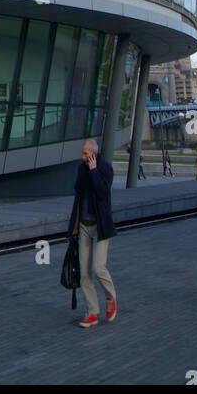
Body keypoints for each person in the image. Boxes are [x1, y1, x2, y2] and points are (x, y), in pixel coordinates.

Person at [68, 139, 117, 329]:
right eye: (82, 153)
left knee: (98, 268)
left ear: (94, 153)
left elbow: (103, 193)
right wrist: (73, 226)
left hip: (100, 227)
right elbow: (78, 195)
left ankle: (111, 297)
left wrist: (94, 171)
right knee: (84, 274)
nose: (83, 157)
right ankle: (92, 312)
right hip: (83, 226)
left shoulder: (105, 169)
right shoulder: (82, 169)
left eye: (85, 153)